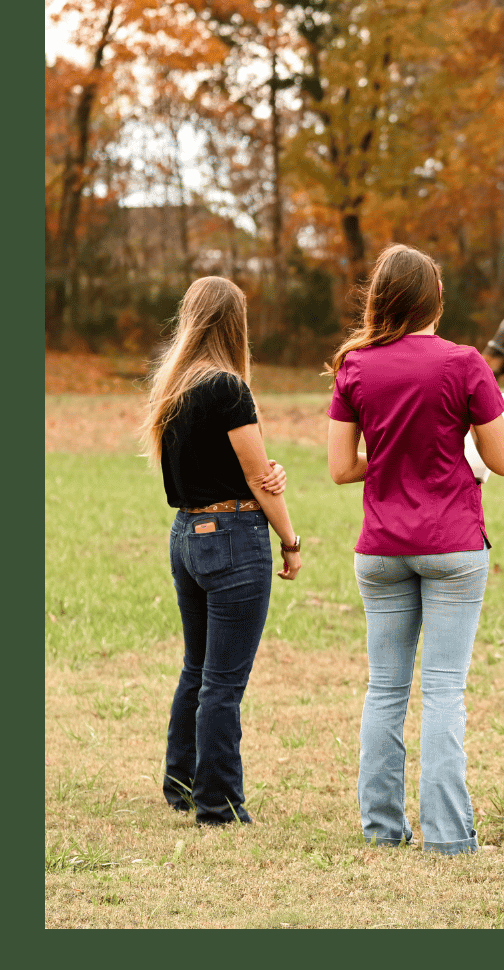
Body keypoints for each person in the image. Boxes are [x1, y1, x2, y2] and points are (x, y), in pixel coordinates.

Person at [326, 244, 504, 855]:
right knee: (442, 691)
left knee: (384, 689)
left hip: (380, 546)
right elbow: (502, 461)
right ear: (435, 300)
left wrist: (392, 453)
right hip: (453, 543)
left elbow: (339, 469)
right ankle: (449, 835)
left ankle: (382, 828)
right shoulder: (464, 363)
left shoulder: (354, 366)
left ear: (381, 297)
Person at [138, 276, 302, 825]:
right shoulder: (228, 387)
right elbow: (258, 475)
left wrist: (263, 474)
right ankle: (219, 803)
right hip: (233, 538)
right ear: (235, 323)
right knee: (224, 683)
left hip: (186, 535)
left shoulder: (174, 386)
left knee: (197, 670)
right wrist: (290, 538)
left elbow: (221, 466)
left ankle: (181, 785)